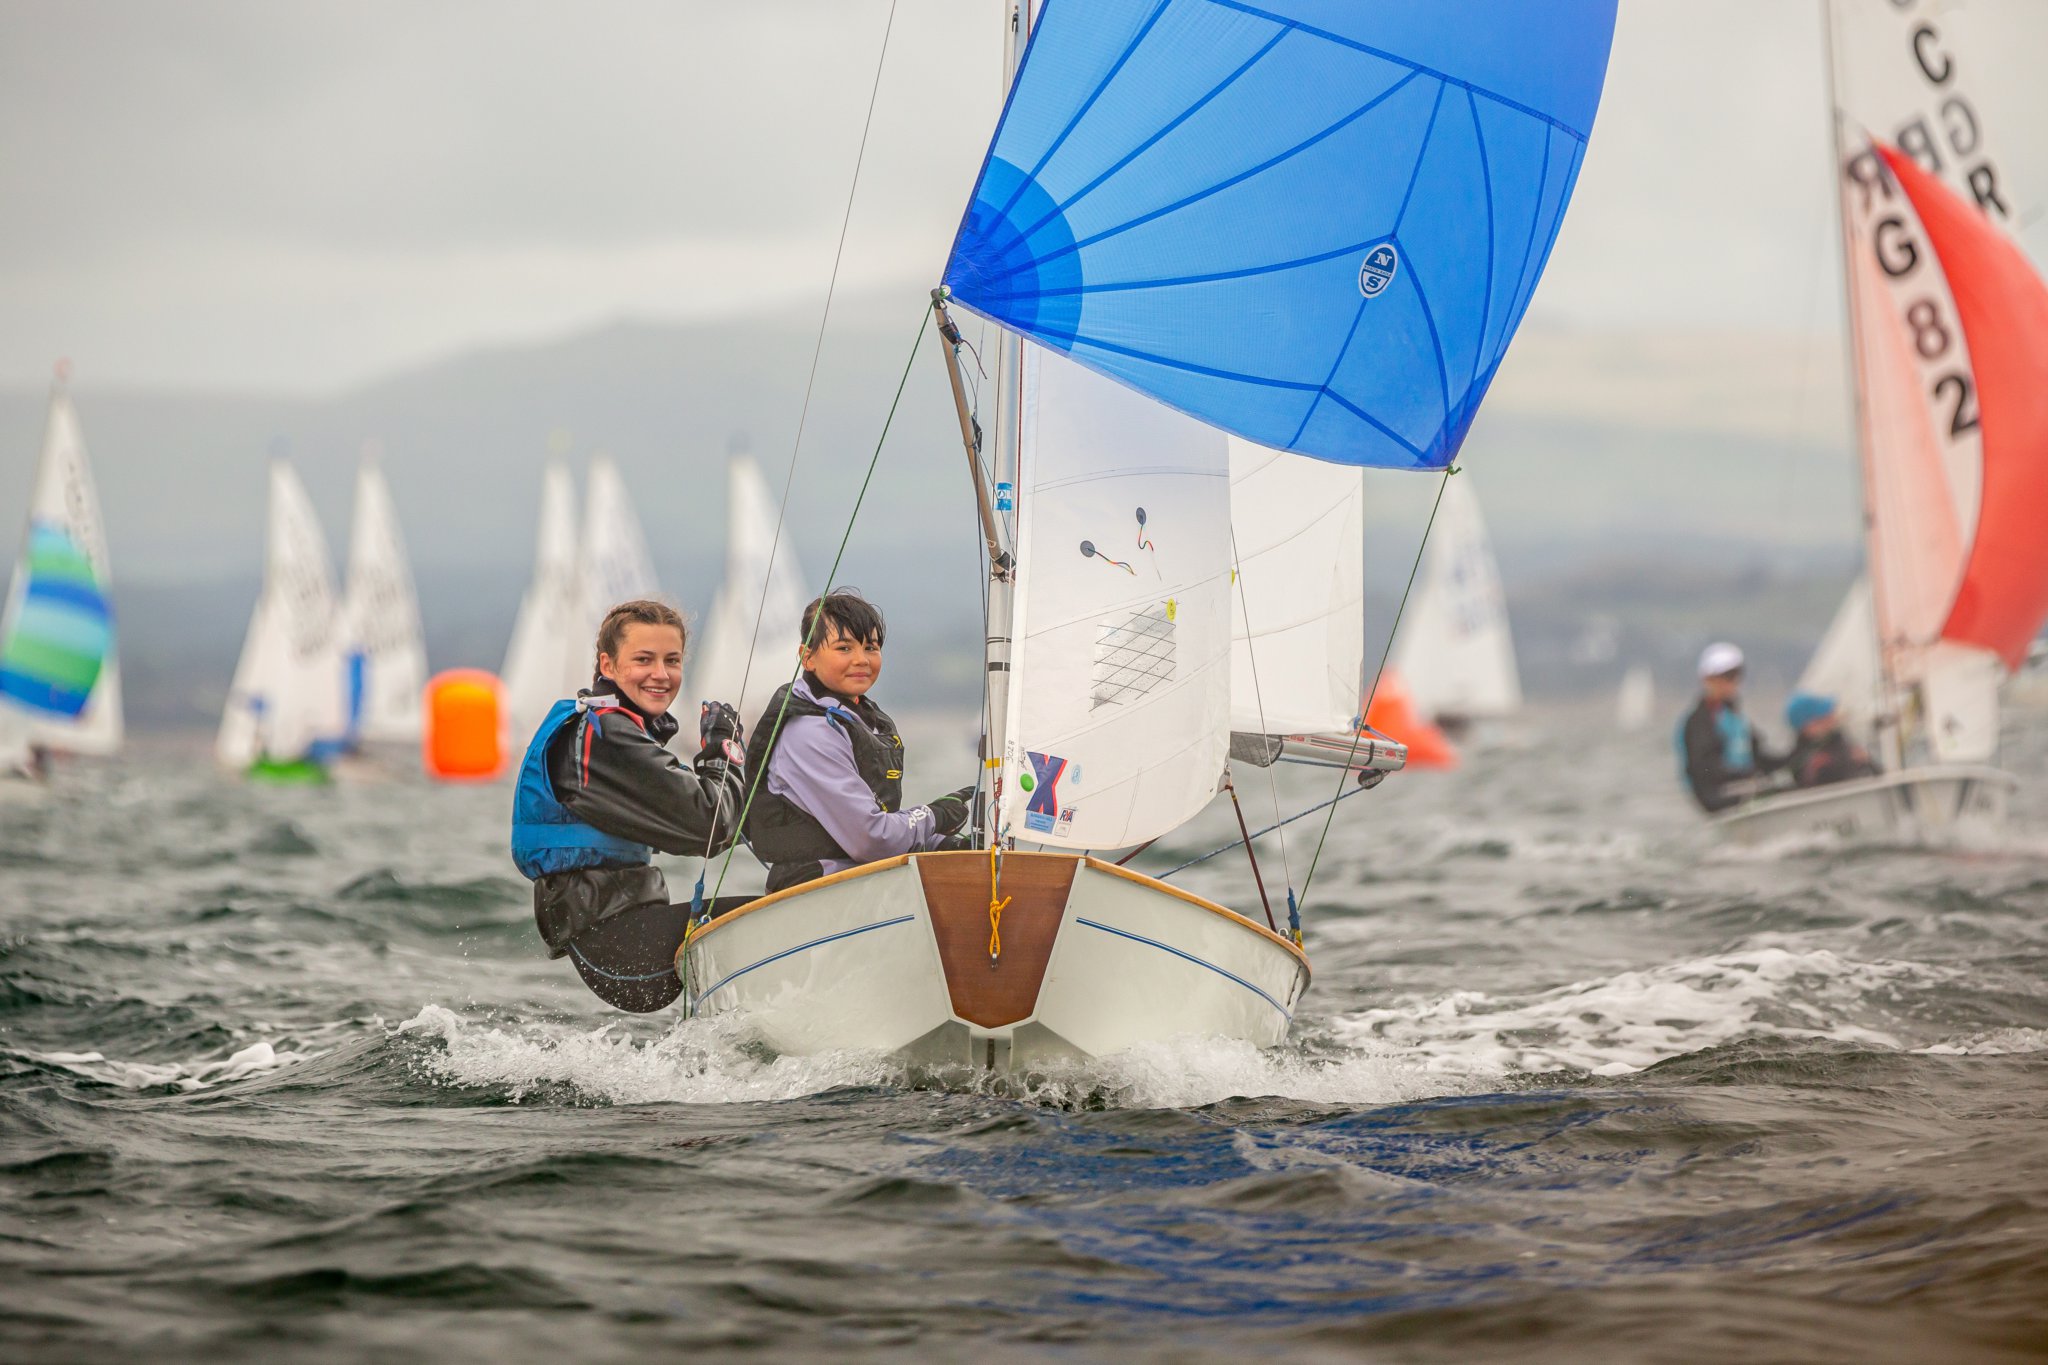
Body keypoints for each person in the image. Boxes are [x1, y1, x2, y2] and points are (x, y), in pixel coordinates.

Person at [510, 599, 749, 1011]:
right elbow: (711, 826)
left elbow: (714, 820)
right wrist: (723, 750)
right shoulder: (605, 736)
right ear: (608, 664)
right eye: (643, 659)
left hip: (623, 933)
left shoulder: (612, 730)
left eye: (672, 661)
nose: (661, 674)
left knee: (787, 902)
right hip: (622, 948)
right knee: (788, 917)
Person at [743, 590, 975, 893]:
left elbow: (880, 825)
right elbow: (872, 839)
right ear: (807, 657)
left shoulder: (859, 719)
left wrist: (944, 844)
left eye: (871, 647)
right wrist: (934, 815)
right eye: (844, 648)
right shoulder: (809, 731)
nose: (861, 660)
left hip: (861, 887)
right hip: (814, 894)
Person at [1677, 641, 1788, 814]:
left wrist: (1800, 753)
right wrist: (1745, 773)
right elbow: (1704, 769)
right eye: (1724, 676)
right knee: (1781, 792)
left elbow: (1760, 758)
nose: (1730, 682)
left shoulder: (1736, 717)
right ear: (1706, 679)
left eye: (1735, 675)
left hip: (1742, 788)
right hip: (1718, 797)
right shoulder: (1698, 721)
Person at [1784, 692, 1879, 789]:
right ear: (1809, 726)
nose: (1832, 716)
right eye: (1822, 716)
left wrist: (1866, 761)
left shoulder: (1839, 742)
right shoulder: (1807, 761)